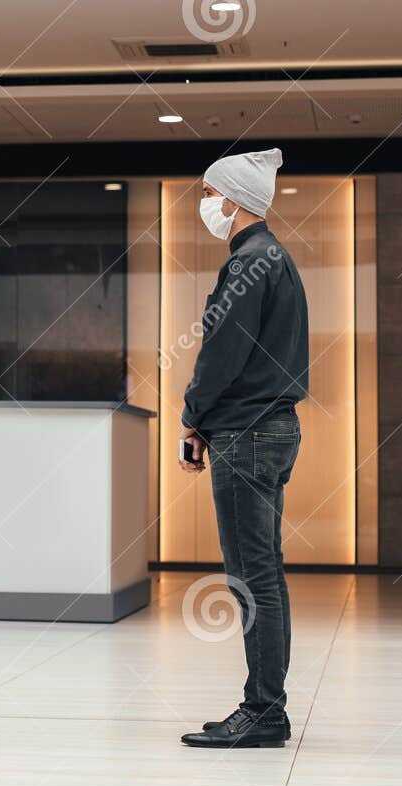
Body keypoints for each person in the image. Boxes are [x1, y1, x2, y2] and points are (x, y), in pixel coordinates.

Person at [177, 148, 309, 749]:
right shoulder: (274, 260)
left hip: (246, 434)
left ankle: (264, 713)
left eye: (208, 193)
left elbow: (222, 356)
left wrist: (192, 417)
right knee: (264, 575)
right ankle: (266, 709)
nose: (204, 203)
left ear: (231, 201)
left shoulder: (249, 262)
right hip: (271, 430)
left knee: (252, 579)